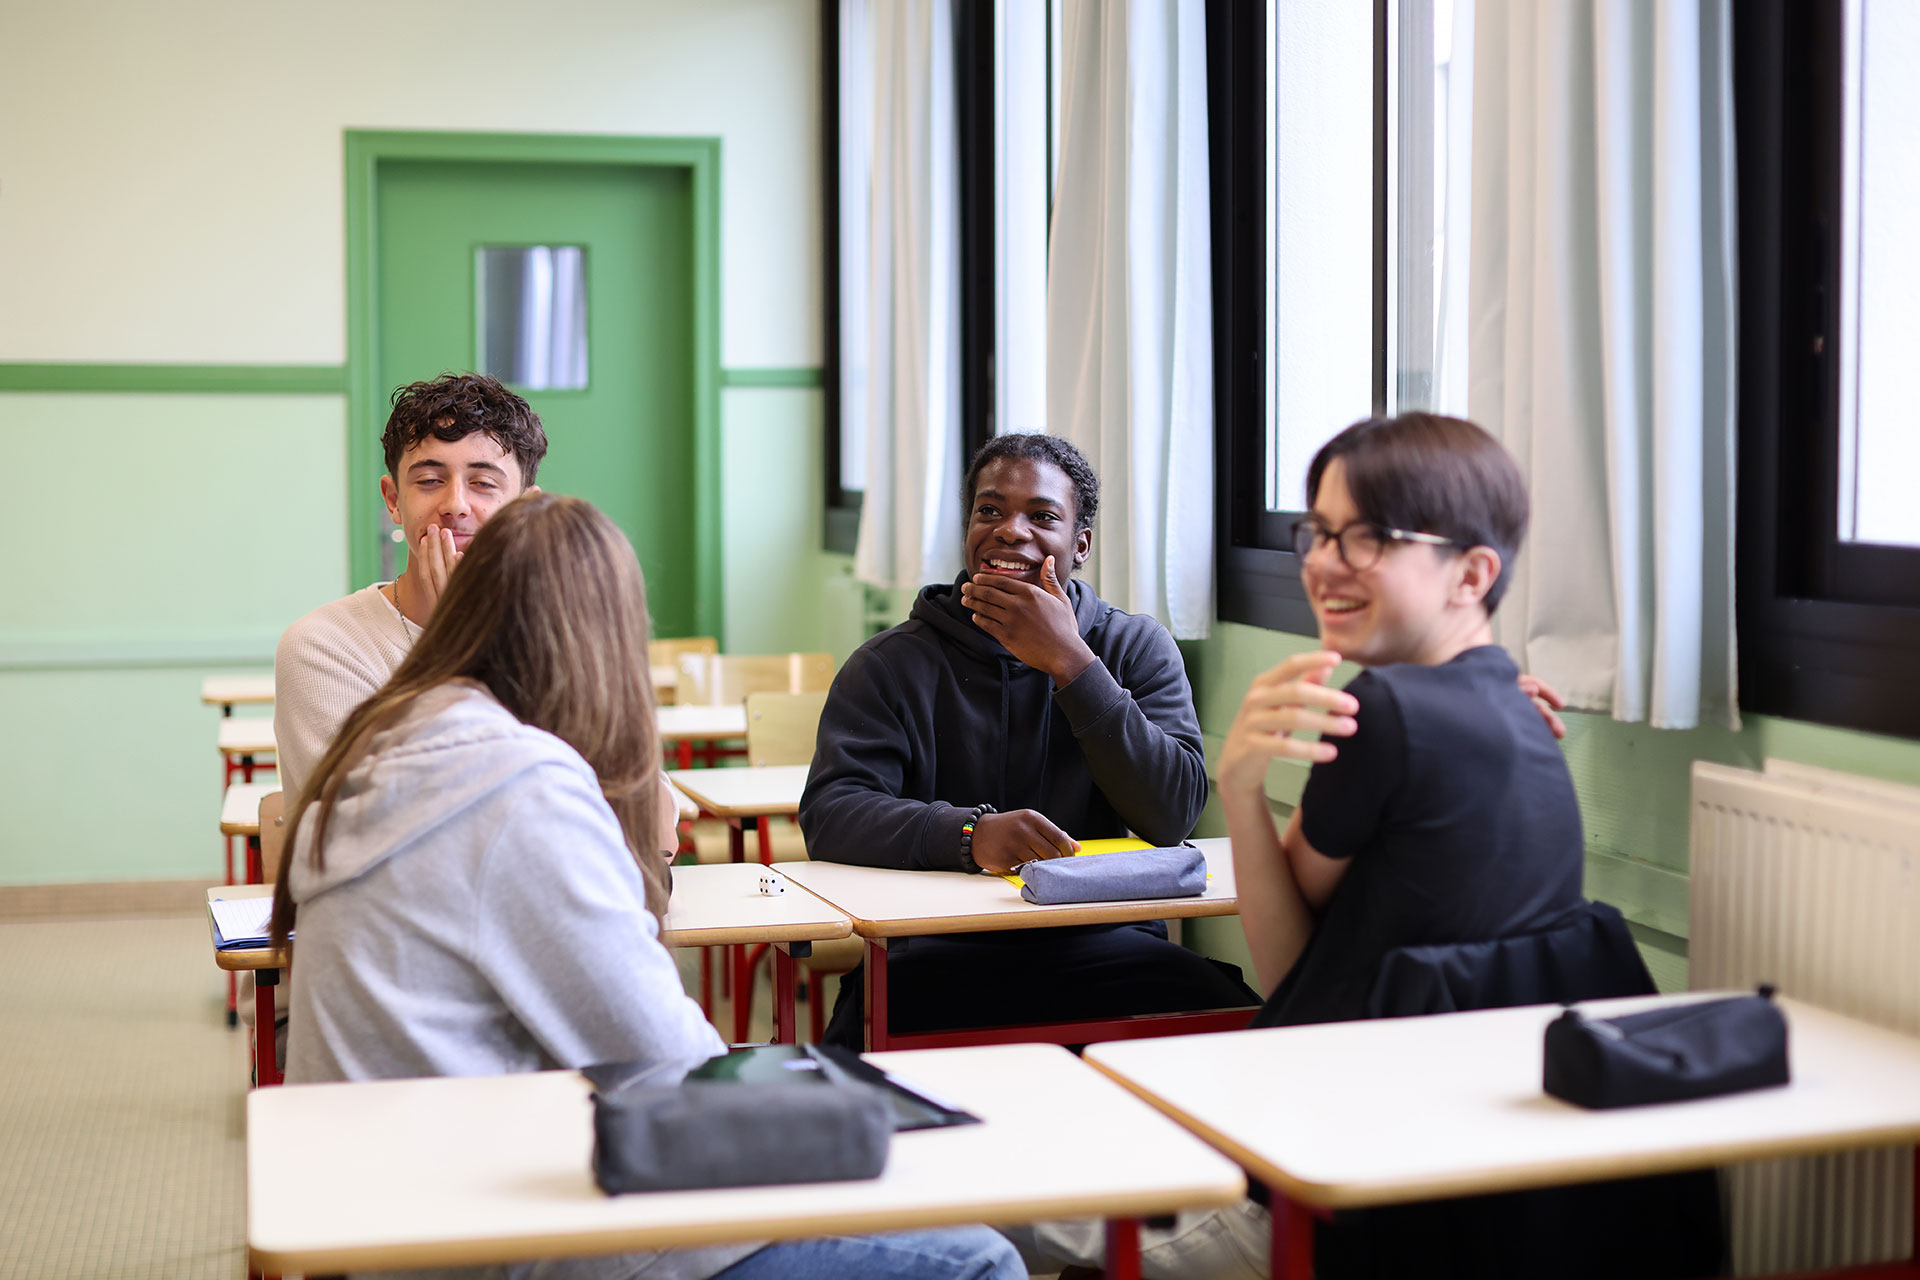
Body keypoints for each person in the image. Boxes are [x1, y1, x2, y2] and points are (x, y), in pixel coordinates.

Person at [1010, 413, 1697, 1280]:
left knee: (997, 1196)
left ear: (1472, 573)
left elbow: (1289, 966)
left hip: (1341, 1191)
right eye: (1320, 532)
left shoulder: (1386, 710)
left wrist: (1245, 786)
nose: (1325, 563)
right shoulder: (1514, 702)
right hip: (1470, 1176)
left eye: (1369, 537)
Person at [269, 493, 1023, 1280]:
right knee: (977, 1256)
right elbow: (663, 1059)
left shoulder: (388, 746)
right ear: (600, 640)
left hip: (393, 1212)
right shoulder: (516, 786)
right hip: (497, 1228)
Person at [799, 433, 1259, 1049]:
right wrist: (970, 835)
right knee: (853, 1063)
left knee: (1248, 1033)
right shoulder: (889, 663)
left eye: (1042, 516)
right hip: (939, 947)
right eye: (990, 511)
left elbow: (1171, 812)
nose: (1010, 530)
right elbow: (832, 812)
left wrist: (1073, 664)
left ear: (1080, 544)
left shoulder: (1134, 648)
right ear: (968, 528)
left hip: (1105, 940)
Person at [272, 370, 678, 851]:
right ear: (393, 501)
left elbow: (650, 824)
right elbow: (377, 840)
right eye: (428, 480)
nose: (455, 505)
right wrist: (460, 643)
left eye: (484, 484)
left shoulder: (563, 631)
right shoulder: (324, 646)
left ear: (524, 509)